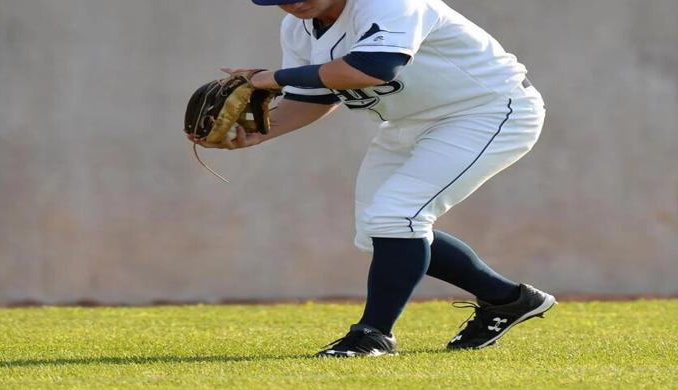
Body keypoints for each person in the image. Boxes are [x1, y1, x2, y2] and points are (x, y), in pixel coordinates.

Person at [191, 0, 554, 357]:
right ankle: (508, 300)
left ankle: (373, 335)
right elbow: (314, 99)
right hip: (406, 122)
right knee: (376, 231)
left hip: (486, 110)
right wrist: (256, 135)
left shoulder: (390, 3)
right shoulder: (297, 27)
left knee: (397, 217)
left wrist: (273, 78)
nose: (294, 3)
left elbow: (374, 67)